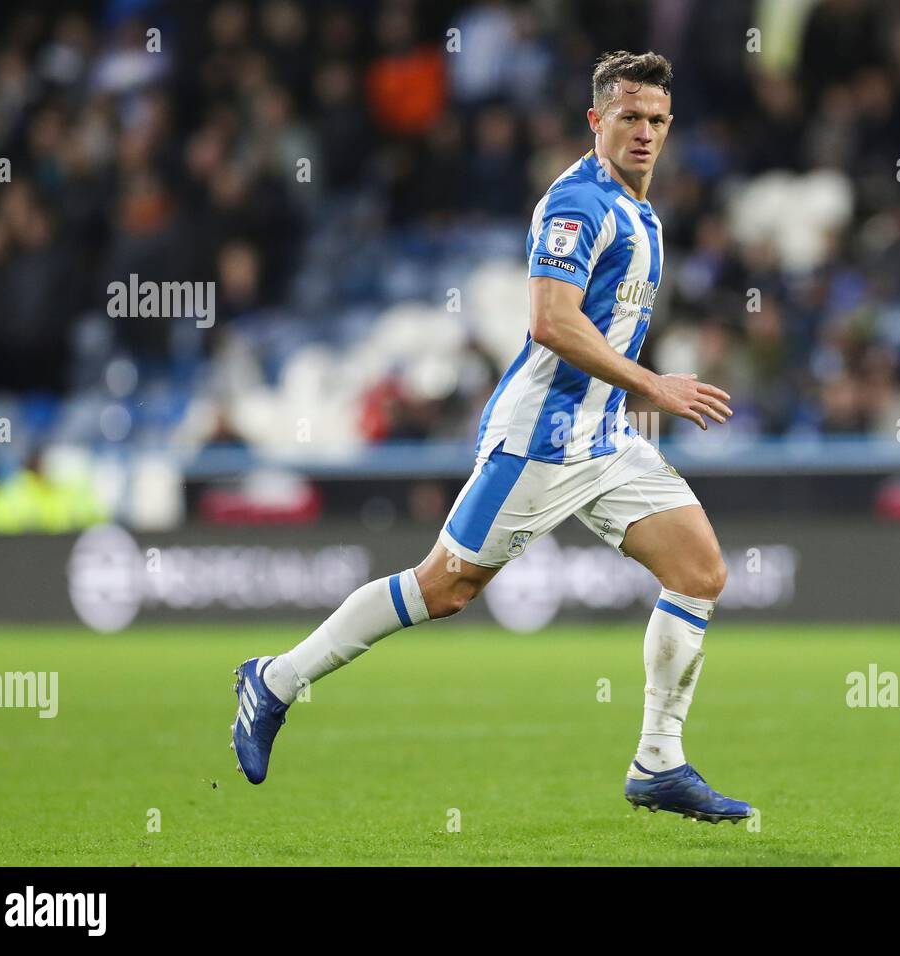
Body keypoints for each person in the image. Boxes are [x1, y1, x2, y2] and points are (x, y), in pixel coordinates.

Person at [232, 50, 751, 823]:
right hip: (539, 438)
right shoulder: (577, 204)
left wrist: (633, 395)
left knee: (701, 571)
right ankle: (273, 681)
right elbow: (550, 320)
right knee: (443, 588)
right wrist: (654, 386)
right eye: (629, 117)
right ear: (596, 120)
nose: (644, 133)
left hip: (603, 440)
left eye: (657, 121)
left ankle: (658, 761)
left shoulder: (644, 214)